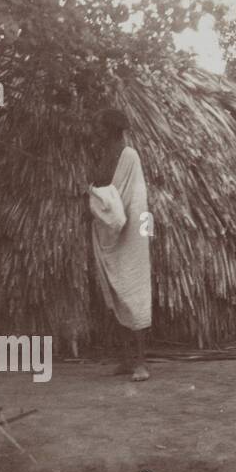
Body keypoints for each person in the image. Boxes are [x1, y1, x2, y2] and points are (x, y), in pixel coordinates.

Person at [86, 107, 152, 382]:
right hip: (111, 230)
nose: (97, 130)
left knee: (133, 291)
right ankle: (126, 359)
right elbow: (103, 188)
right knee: (117, 292)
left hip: (130, 233)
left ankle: (141, 363)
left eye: (101, 126)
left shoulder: (129, 155)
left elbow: (135, 197)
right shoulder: (106, 154)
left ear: (111, 128)